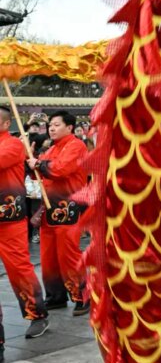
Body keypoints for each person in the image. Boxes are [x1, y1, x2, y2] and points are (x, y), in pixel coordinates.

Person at [0, 106, 50, 363]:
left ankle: (37, 314)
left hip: (9, 219)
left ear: (6, 123)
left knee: (19, 269)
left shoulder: (13, 146)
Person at [27, 111, 89, 316]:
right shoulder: (52, 148)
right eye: (50, 125)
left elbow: (60, 169)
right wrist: (32, 163)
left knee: (68, 254)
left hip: (68, 207)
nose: (51, 128)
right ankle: (56, 296)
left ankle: (83, 296)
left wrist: (39, 164)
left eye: (56, 125)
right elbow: (38, 175)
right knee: (49, 257)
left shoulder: (76, 146)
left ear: (69, 127)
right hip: (49, 208)